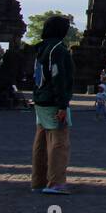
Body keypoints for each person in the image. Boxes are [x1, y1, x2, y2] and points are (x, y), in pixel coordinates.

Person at [30, 15, 74, 195]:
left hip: (41, 98)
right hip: (53, 101)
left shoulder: (42, 47)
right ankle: (56, 182)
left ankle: (38, 181)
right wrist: (62, 105)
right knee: (59, 142)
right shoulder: (58, 49)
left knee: (41, 140)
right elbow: (59, 77)